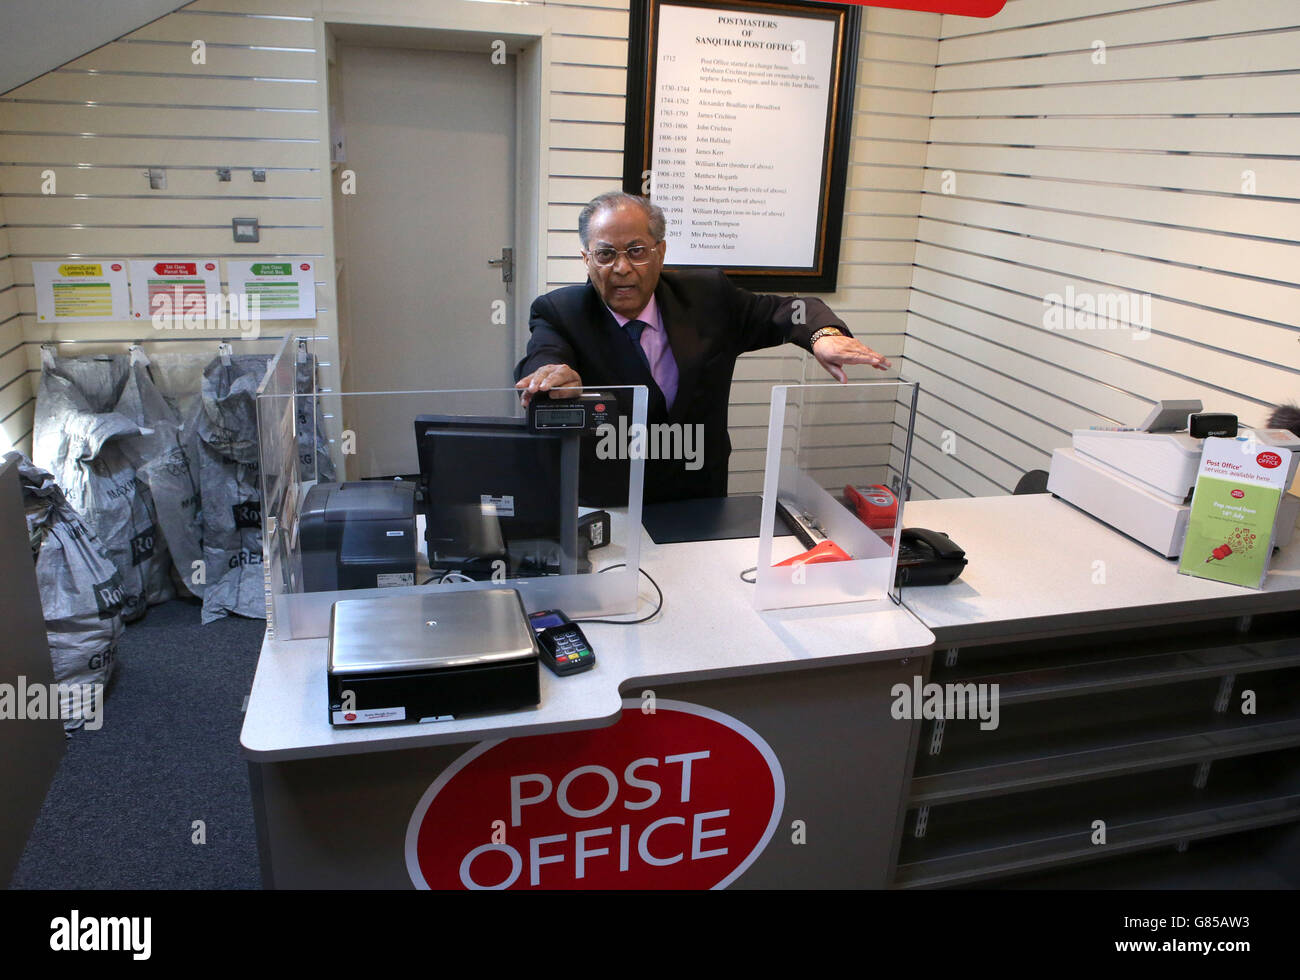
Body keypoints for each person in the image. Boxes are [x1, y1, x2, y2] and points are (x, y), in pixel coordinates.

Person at [514, 191, 890, 503]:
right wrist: (550, 374)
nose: (622, 268)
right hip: (609, 499)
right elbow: (546, 354)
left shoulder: (707, 295)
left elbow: (787, 310)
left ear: (660, 252)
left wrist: (821, 336)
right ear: (587, 259)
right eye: (606, 254)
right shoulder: (560, 311)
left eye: (637, 251)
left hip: (698, 492)